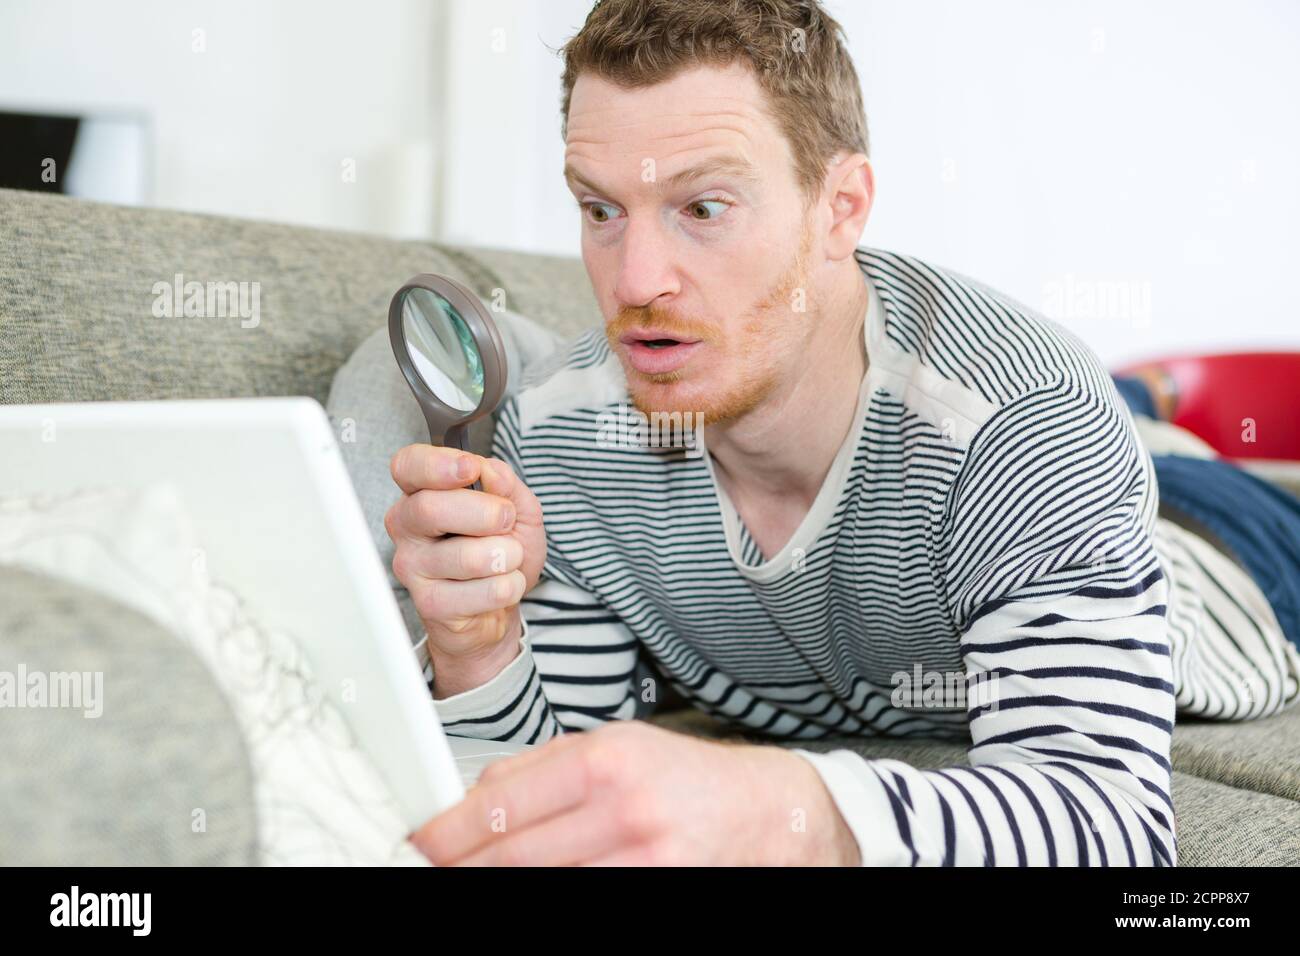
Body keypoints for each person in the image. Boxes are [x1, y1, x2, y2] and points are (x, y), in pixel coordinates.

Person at [384, 0, 1300, 866]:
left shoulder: (1026, 417)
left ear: (842, 208)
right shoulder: (558, 430)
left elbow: (1113, 830)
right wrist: (479, 647)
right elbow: (541, 793)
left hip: (1224, 546)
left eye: (703, 209)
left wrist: (784, 810)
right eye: (600, 210)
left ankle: (1160, 420)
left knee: (1179, 458)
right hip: (981, 451)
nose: (635, 282)